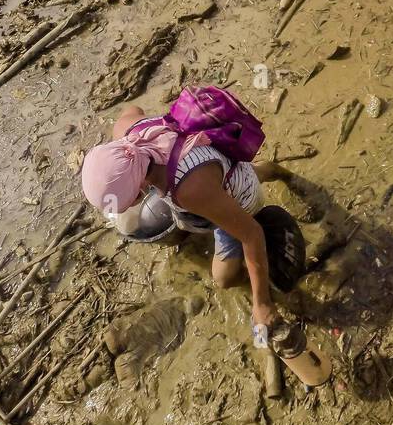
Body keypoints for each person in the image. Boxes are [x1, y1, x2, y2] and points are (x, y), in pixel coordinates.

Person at [80, 107, 297, 331]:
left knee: (224, 278)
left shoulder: (189, 191)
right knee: (251, 173)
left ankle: (269, 205)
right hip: (219, 163)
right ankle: (277, 173)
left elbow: (252, 234)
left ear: (141, 186)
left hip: (238, 195)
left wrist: (262, 304)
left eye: (130, 200)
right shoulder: (126, 132)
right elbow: (134, 109)